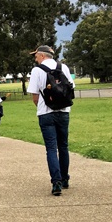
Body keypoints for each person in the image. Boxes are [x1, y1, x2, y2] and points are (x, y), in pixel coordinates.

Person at [27, 45, 74, 196]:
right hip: (64, 112)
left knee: (51, 148)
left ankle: (56, 182)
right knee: (63, 146)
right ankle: (65, 178)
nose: (35, 59)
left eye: (36, 56)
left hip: (46, 113)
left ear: (42, 56)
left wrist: (42, 105)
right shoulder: (64, 67)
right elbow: (70, 88)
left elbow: (34, 95)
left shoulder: (37, 70)